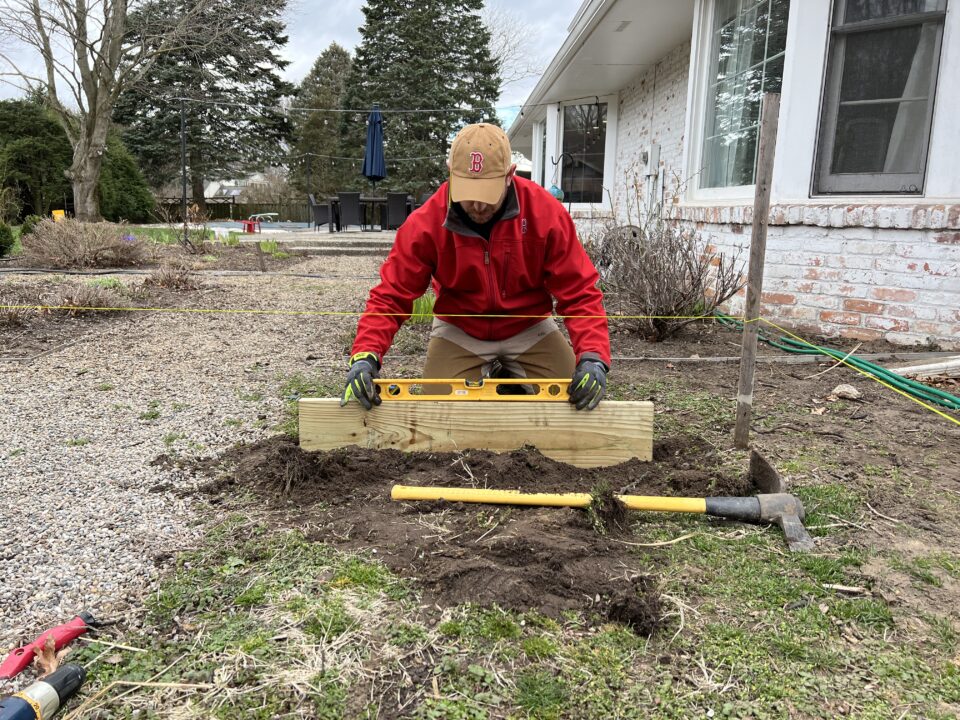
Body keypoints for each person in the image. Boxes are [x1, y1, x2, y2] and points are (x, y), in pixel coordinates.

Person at [340, 122, 610, 411]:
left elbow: (579, 290)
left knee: (573, 402)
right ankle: (500, 377)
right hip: (460, 329)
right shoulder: (426, 222)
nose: (478, 207)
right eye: (468, 192)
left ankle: (508, 377)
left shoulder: (545, 213)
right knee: (439, 412)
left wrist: (593, 356)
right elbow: (391, 294)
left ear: (510, 175)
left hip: (529, 326)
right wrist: (366, 356)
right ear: (451, 173)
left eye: (487, 194)